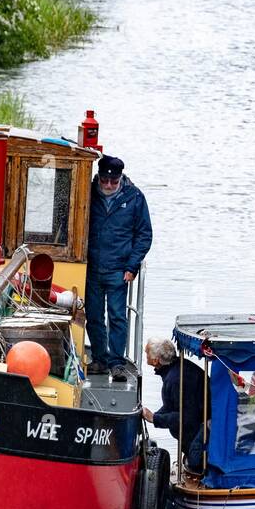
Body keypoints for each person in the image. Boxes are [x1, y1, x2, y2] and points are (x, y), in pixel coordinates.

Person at [85, 155, 152, 381]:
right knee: (93, 315)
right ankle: (99, 359)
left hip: (119, 269)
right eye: (104, 180)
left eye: (114, 181)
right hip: (92, 267)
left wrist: (132, 265)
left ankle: (116, 363)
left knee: (117, 316)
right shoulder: (87, 193)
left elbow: (144, 235)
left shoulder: (135, 198)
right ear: (99, 177)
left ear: (120, 178)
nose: (109, 185)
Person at [142, 339, 209, 473]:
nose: (145, 355)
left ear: (156, 361)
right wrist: (155, 416)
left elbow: (186, 417)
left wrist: (155, 419)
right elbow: (172, 406)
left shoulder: (175, 379)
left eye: (147, 353)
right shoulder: (175, 369)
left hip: (205, 421)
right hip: (197, 415)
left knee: (195, 462)